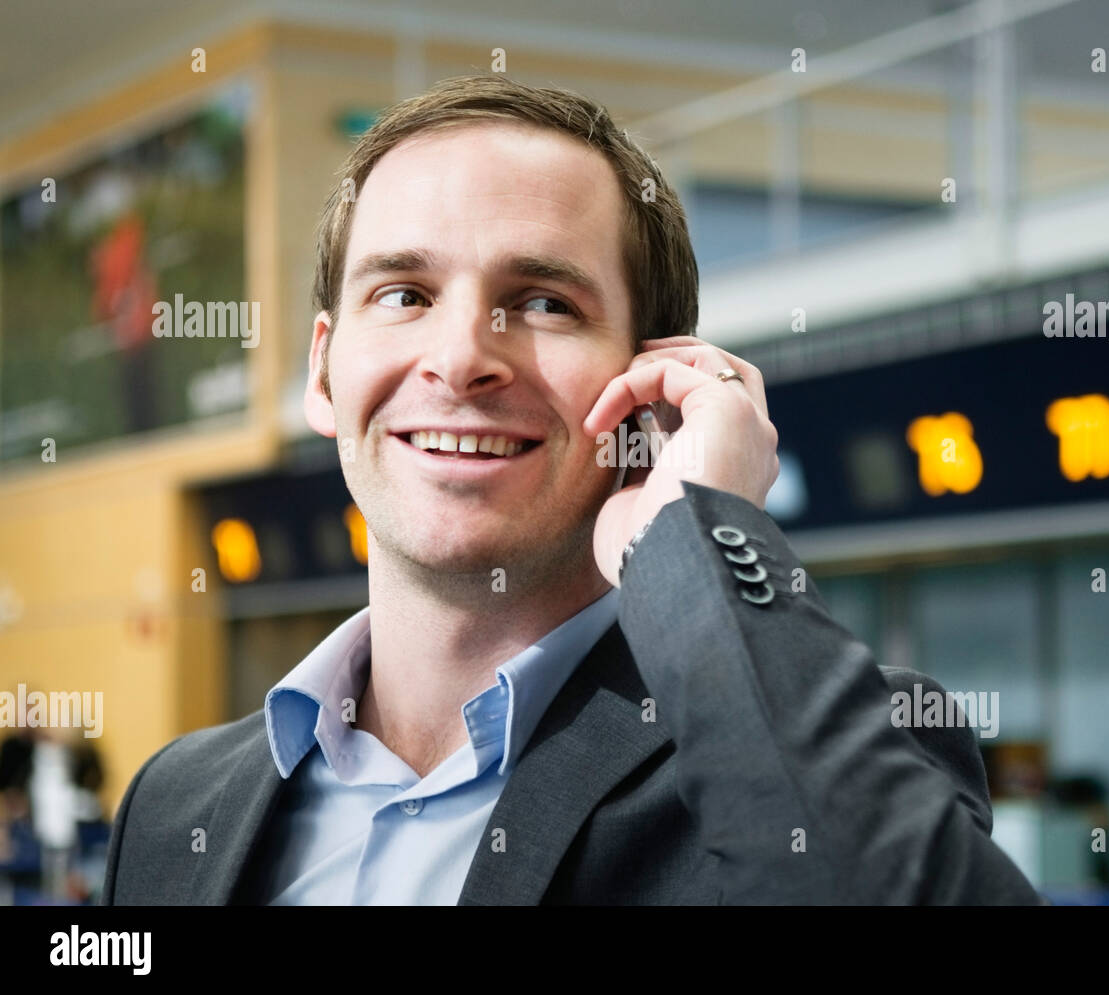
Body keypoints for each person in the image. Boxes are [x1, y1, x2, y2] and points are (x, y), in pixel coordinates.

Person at [103, 74, 1044, 905]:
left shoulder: (786, 759)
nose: (463, 357)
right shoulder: (175, 804)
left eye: (546, 302)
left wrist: (698, 543)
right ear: (322, 373)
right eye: (405, 294)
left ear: (655, 383)